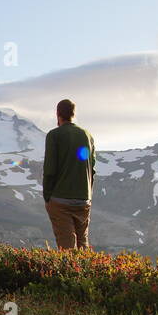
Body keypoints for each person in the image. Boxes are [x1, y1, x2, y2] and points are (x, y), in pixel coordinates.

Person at [42, 99, 96, 250]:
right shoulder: (87, 136)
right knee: (82, 245)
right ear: (74, 114)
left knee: (67, 247)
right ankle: (88, 272)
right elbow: (92, 169)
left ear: (58, 114)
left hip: (60, 200)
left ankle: (69, 272)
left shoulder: (54, 135)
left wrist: (47, 196)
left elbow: (50, 169)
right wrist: (88, 194)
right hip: (84, 200)